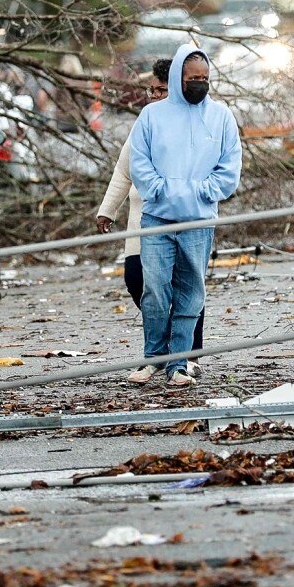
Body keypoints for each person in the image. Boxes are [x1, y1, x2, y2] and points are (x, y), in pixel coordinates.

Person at [125, 44, 241, 387]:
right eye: (193, 78)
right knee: (155, 291)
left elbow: (229, 168)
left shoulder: (221, 117)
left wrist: (203, 193)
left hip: (199, 221)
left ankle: (179, 363)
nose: (199, 83)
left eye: (205, 78)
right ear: (178, 77)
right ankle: (153, 359)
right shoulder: (152, 116)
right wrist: (160, 191)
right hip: (157, 219)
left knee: (191, 292)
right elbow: (139, 163)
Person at [96, 59, 205, 377]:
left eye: (161, 89)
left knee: (186, 287)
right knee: (137, 280)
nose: (155, 95)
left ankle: (188, 356)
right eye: (152, 90)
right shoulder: (144, 123)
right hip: (141, 221)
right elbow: (123, 168)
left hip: (182, 221)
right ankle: (163, 349)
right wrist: (107, 209)